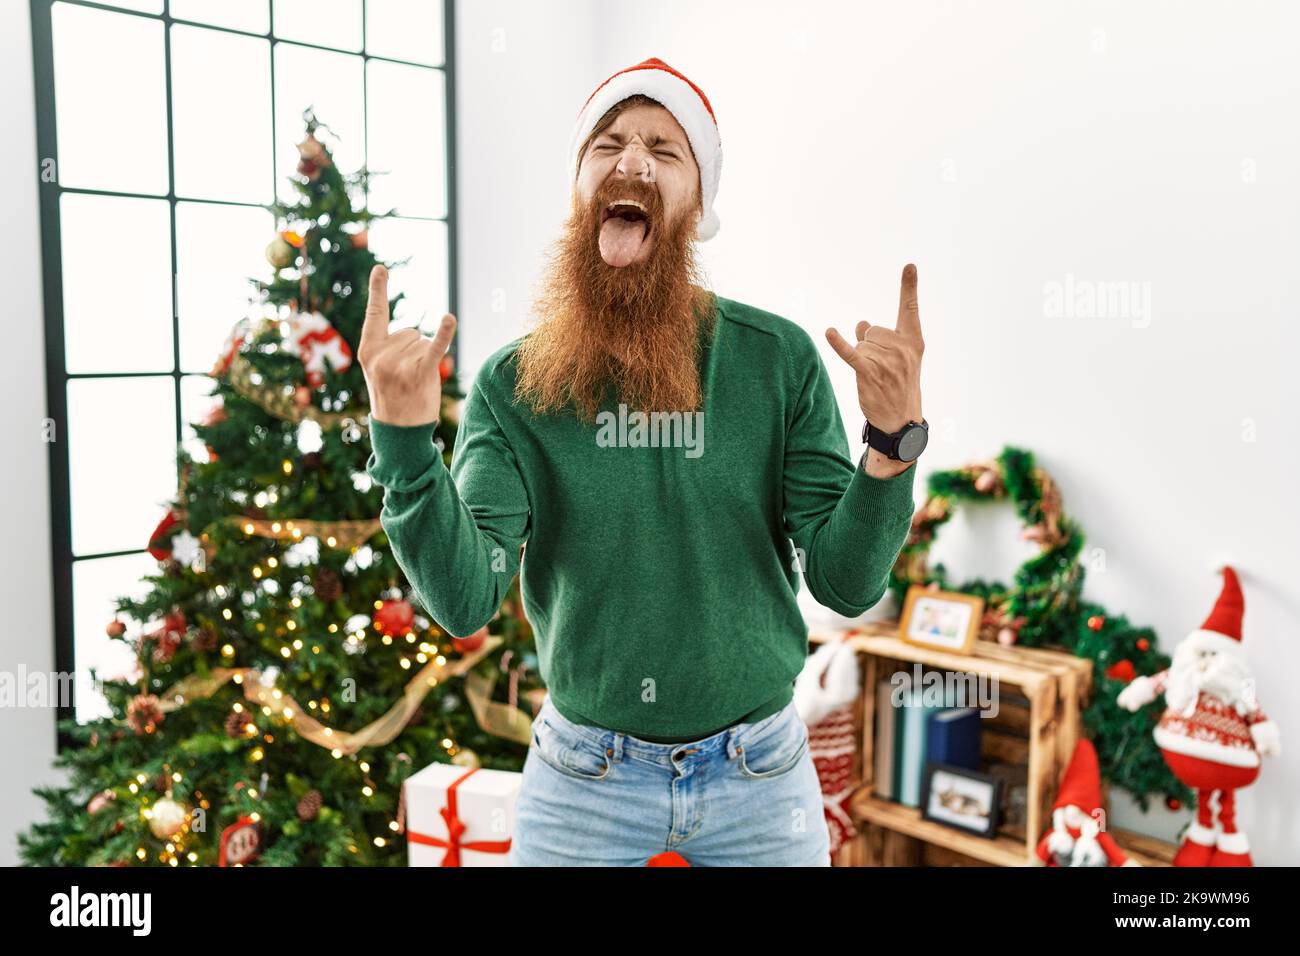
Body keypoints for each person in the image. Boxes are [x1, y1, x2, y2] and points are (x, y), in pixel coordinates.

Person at [361, 57, 928, 865]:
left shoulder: (777, 361)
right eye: (610, 144)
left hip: (761, 776)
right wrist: (405, 446)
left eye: (666, 150)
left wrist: (890, 444)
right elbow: (464, 597)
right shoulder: (513, 385)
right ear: (579, 193)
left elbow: (845, 583)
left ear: (698, 208)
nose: (632, 162)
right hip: (582, 779)